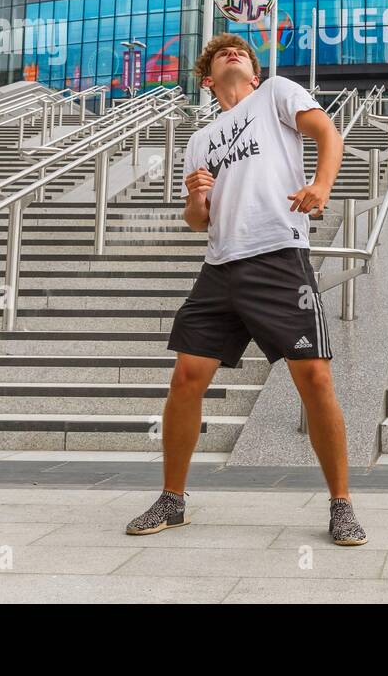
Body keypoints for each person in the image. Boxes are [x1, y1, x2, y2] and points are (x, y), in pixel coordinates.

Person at [125, 33, 367, 546]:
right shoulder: (199, 140)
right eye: (221, 53)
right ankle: (173, 498)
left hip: (278, 254)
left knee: (315, 377)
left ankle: (341, 503)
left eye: (242, 53)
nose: (234, 54)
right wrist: (194, 199)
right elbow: (197, 221)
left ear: (254, 74)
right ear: (208, 80)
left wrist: (322, 186)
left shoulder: (276, 92)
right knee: (187, 376)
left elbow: (327, 132)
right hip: (219, 267)